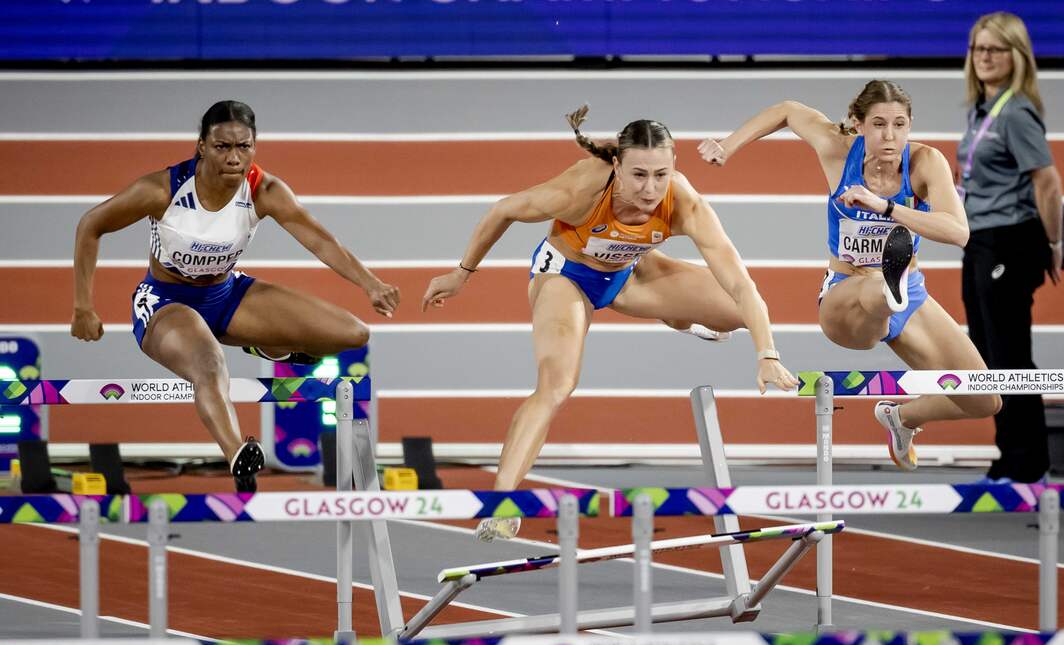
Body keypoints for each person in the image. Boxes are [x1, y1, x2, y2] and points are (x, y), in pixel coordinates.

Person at [423, 105, 799, 541]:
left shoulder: (684, 203)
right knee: (557, 385)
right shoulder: (581, 191)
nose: (650, 188)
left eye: (660, 175)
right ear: (617, 166)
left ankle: (676, 315)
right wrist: (462, 273)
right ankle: (502, 503)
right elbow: (504, 209)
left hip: (629, 276)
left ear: (674, 166)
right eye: (638, 175)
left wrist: (767, 354)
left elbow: (741, 283)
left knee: (740, 314)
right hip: (567, 279)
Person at [71, 100, 400, 492]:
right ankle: (237, 454)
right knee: (209, 365)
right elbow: (91, 224)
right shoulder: (162, 190)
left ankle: (265, 345)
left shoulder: (265, 190)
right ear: (202, 146)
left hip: (227, 295)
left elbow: (321, 241)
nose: (233, 157)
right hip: (167, 303)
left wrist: (370, 283)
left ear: (254, 147)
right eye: (222, 147)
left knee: (352, 334)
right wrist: (83, 306)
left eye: (243, 147)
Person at [700, 80, 1000, 471]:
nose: (890, 136)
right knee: (876, 289)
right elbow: (787, 109)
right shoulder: (837, 150)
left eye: (899, 125)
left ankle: (901, 416)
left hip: (911, 296)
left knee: (984, 399)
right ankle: (886, 291)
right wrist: (728, 145)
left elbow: (958, 232)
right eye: (878, 124)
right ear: (858, 125)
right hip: (847, 297)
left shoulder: (926, 162)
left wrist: (885, 207)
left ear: (910, 125)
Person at [958, 12, 1064, 483]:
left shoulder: (1016, 112)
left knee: (1009, 355)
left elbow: (1049, 183)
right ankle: (1010, 454)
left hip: (1010, 242)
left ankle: (1028, 461)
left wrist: (1053, 243)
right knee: (986, 353)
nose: (983, 57)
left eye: (994, 49)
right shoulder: (983, 107)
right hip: (981, 240)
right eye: (978, 48)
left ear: (1015, 55)